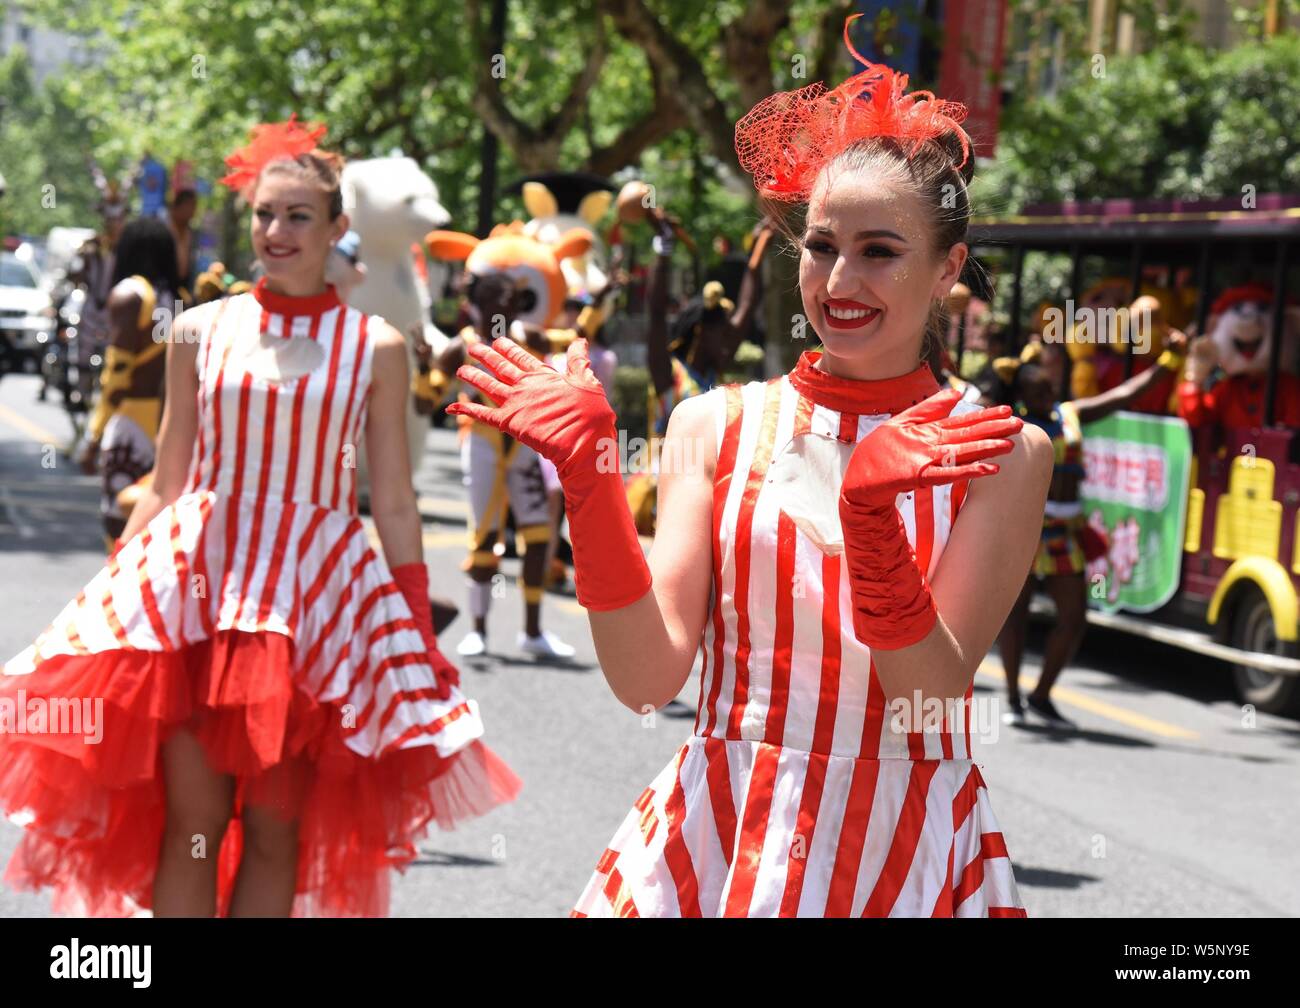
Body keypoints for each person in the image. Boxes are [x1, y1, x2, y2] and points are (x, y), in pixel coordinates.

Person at [450, 16, 1054, 917]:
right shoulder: (716, 423)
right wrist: (591, 488)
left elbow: (927, 698)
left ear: (947, 269)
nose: (839, 281)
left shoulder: (1002, 451)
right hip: (722, 828)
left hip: (901, 844)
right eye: (820, 246)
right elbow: (648, 680)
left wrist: (871, 524)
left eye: (879, 252)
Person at [0, 117, 520, 918]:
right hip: (194, 598)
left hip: (316, 611)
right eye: (263, 214)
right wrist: (105, 603)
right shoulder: (200, 330)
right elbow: (167, 481)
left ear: (338, 228)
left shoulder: (377, 345)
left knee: (277, 835)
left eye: (299, 216)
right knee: (193, 826)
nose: (276, 232)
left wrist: (414, 619)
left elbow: (392, 498)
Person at [989, 333, 1186, 729]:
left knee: (1074, 618)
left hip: (1065, 530)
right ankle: (1011, 697)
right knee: (1016, 616)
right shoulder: (1011, 422)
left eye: (1049, 385)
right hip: (1025, 527)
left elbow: (1127, 393)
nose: (1048, 390)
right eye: (1037, 387)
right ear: (1023, 392)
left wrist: (1170, 359)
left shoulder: (1071, 415)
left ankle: (1041, 696)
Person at [432, 271, 576, 660]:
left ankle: (532, 631)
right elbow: (424, 398)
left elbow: (574, 342)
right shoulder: (460, 346)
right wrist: (424, 374)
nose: (504, 302)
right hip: (482, 445)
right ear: (478, 299)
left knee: (539, 536)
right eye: (495, 294)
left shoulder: (528, 339)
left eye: (511, 296)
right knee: (483, 538)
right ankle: (478, 631)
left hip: (524, 447)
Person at [79, 216, 181, 551]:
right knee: (159, 531)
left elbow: (117, 376)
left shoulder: (128, 295)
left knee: (118, 522)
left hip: (130, 427)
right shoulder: (179, 298)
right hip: (170, 428)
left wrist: (93, 438)